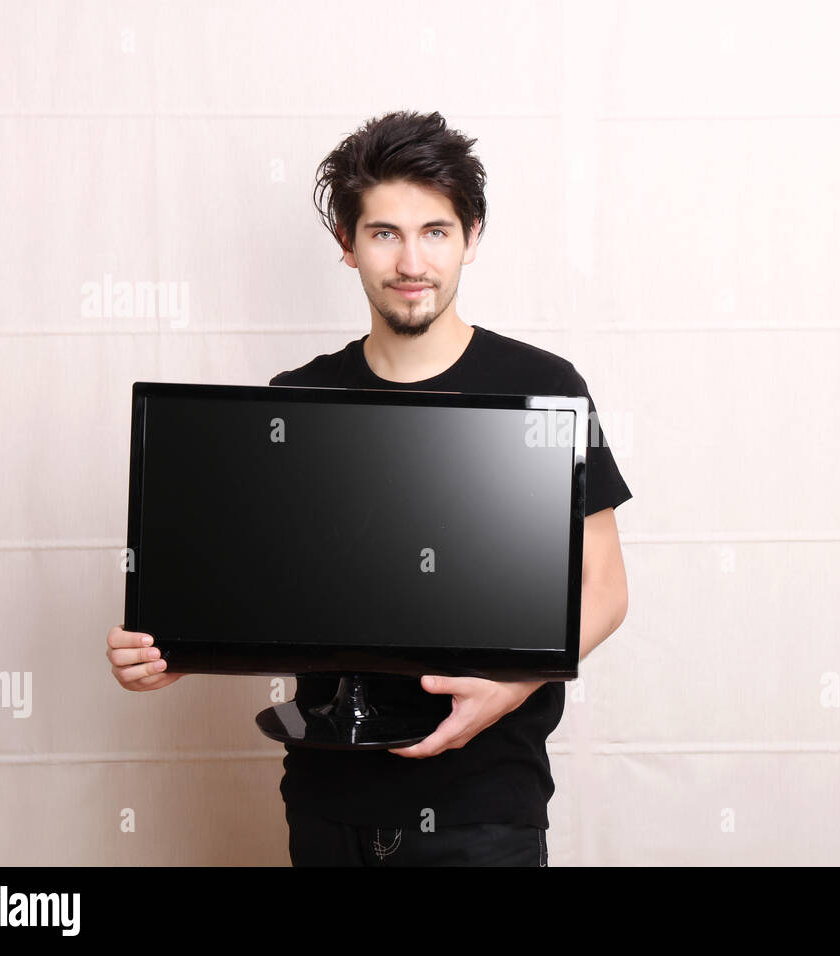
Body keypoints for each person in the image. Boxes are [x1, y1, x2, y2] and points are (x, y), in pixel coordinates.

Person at [106, 109, 632, 866]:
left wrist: (511, 687)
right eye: (384, 233)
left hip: (483, 812)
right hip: (326, 808)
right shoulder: (298, 399)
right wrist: (170, 651)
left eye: (436, 232)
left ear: (471, 238)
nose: (411, 261)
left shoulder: (543, 387)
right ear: (347, 246)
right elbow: (263, 587)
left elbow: (606, 586)